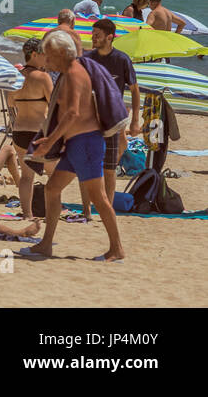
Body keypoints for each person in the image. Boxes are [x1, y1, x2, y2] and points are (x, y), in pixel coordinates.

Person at [26, 29, 125, 262]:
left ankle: (117, 249)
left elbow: (72, 113)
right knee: (51, 190)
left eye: (49, 56)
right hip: (75, 145)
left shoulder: (73, 74)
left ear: (62, 53)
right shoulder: (68, 72)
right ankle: (46, 244)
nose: (47, 61)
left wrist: (49, 140)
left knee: (98, 198)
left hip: (87, 144)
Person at [84, 18, 141, 215]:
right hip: (90, 120)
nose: (93, 38)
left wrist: (135, 119)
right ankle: (86, 209)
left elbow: (134, 90)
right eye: (92, 34)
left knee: (109, 169)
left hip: (113, 121)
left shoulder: (122, 60)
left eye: (97, 35)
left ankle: (105, 208)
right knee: (87, 167)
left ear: (110, 37)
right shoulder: (88, 58)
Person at [7, 37, 54, 216]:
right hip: (38, 132)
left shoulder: (16, 76)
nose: (46, 58)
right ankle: (51, 210)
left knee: (26, 177)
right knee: (53, 174)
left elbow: (11, 101)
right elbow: (54, 103)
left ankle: (27, 213)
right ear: (34, 54)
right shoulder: (43, 78)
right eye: (43, 54)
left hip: (19, 131)